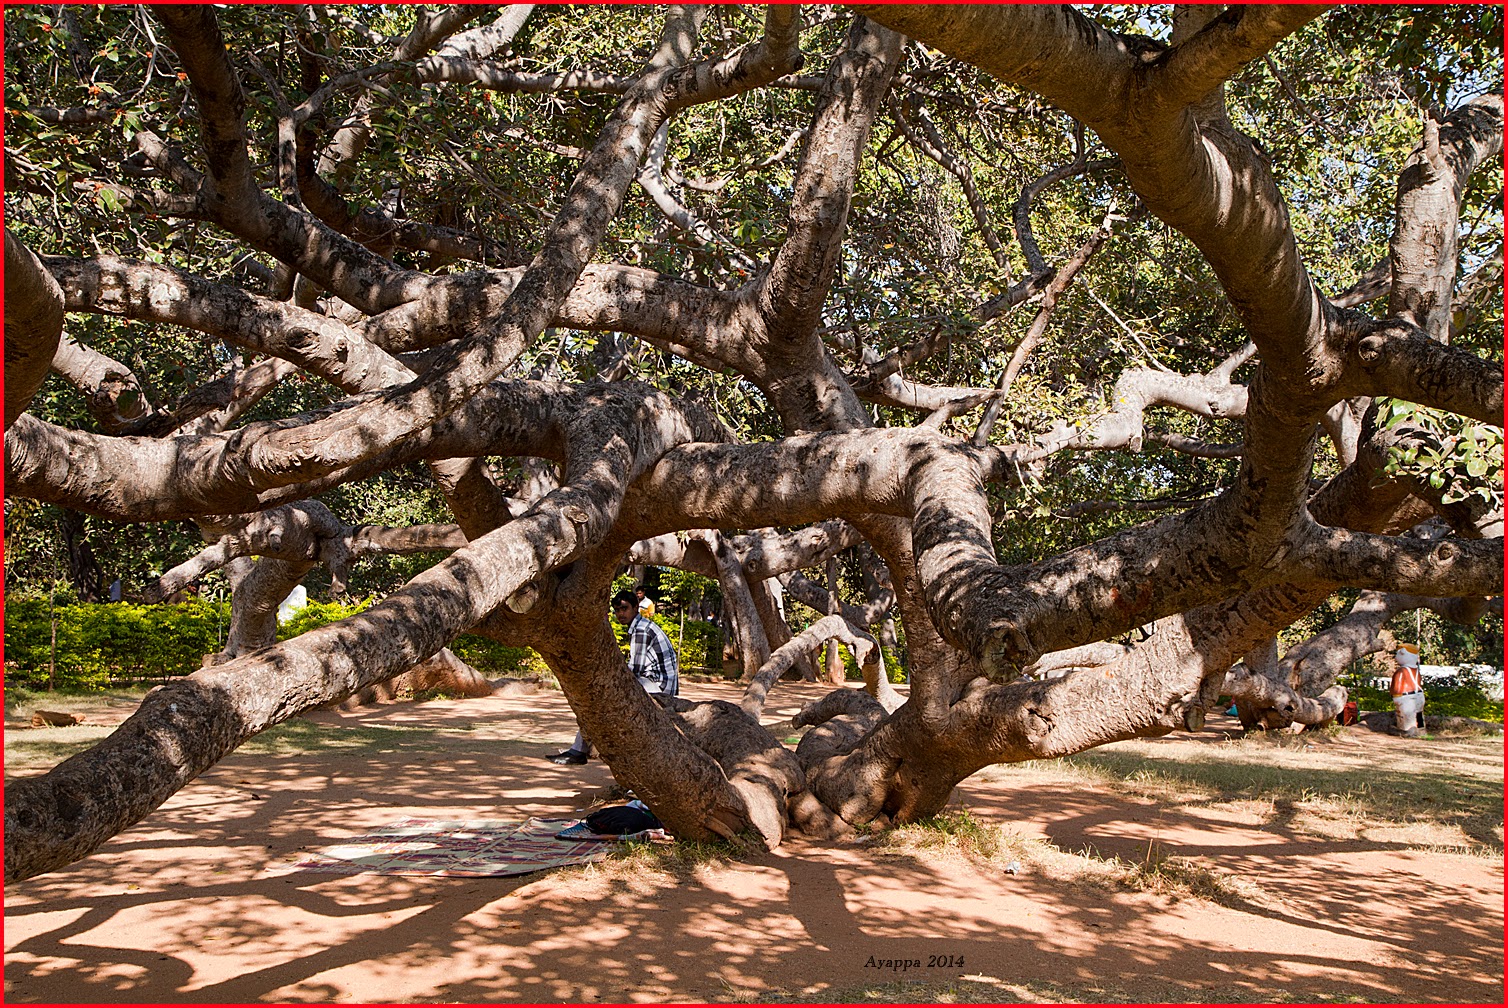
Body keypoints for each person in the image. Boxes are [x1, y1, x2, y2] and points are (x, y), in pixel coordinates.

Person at [548, 590, 680, 765]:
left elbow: (635, 670)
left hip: (659, 686)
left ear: (636, 608)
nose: (620, 614)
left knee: (601, 697)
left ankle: (579, 750)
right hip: (656, 682)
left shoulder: (641, 630)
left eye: (624, 609)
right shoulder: (641, 626)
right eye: (617, 610)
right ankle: (579, 749)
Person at [1390, 642, 1425, 738]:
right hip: (1419, 695)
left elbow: (1396, 686)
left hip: (1405, 697)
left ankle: (1407, 730)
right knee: (1418, 714)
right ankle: (1420, 728)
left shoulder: (1401, 671)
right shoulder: (1416, 670)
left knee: (1404, 716)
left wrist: (1395, 696)